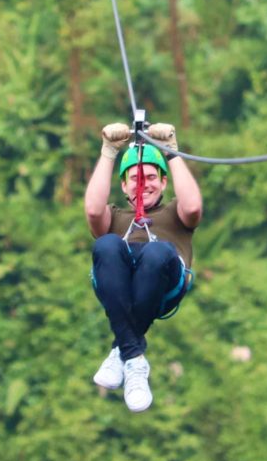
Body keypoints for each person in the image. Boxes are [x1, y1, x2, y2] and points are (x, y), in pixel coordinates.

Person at [84, 120, 202, 411]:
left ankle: (121, 350)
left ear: (163, 182)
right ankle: (132, 357)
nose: (144, 183)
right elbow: (92, 210)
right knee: (106, 245)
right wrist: (108, 151)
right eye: (135, 178)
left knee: (156, 252)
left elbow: (193, 207)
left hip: (164, 278)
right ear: (123, 186)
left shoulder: (175, 213)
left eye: (151, 177)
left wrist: (171, 152)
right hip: (121, 284)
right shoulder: (115, 218)